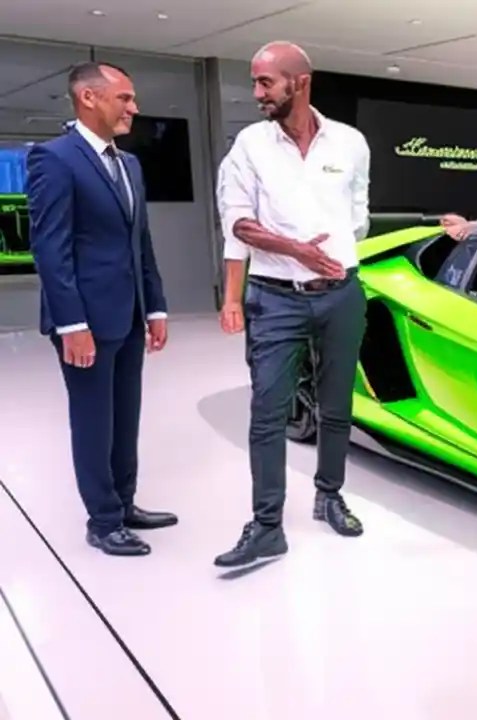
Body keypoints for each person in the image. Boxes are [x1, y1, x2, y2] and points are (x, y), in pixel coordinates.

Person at [213, 41, 370, 568]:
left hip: (342, 295)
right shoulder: (249, 146)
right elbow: (238, 222)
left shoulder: (350, 143)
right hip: (276, 299)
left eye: (265, 83)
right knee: (268, 413)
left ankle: (329, 495)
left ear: (299, 83)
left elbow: (358, 214)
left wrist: (336, 257)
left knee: (337, 408)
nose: (256, 93)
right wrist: (298, 250)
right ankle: (266, 526)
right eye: (255, 82)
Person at [26, 61, 175, 557]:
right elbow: (51, 248)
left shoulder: (128, 163)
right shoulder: (54, 158)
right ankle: (103, 520)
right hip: (85, 320)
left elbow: (141, 243)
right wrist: (72, 323)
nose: (134, 108)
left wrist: (155, 307)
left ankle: (125, 504)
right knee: (94, 420)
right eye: (124, 99)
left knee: (125, 416)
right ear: (88, 99)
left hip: (129, 314)